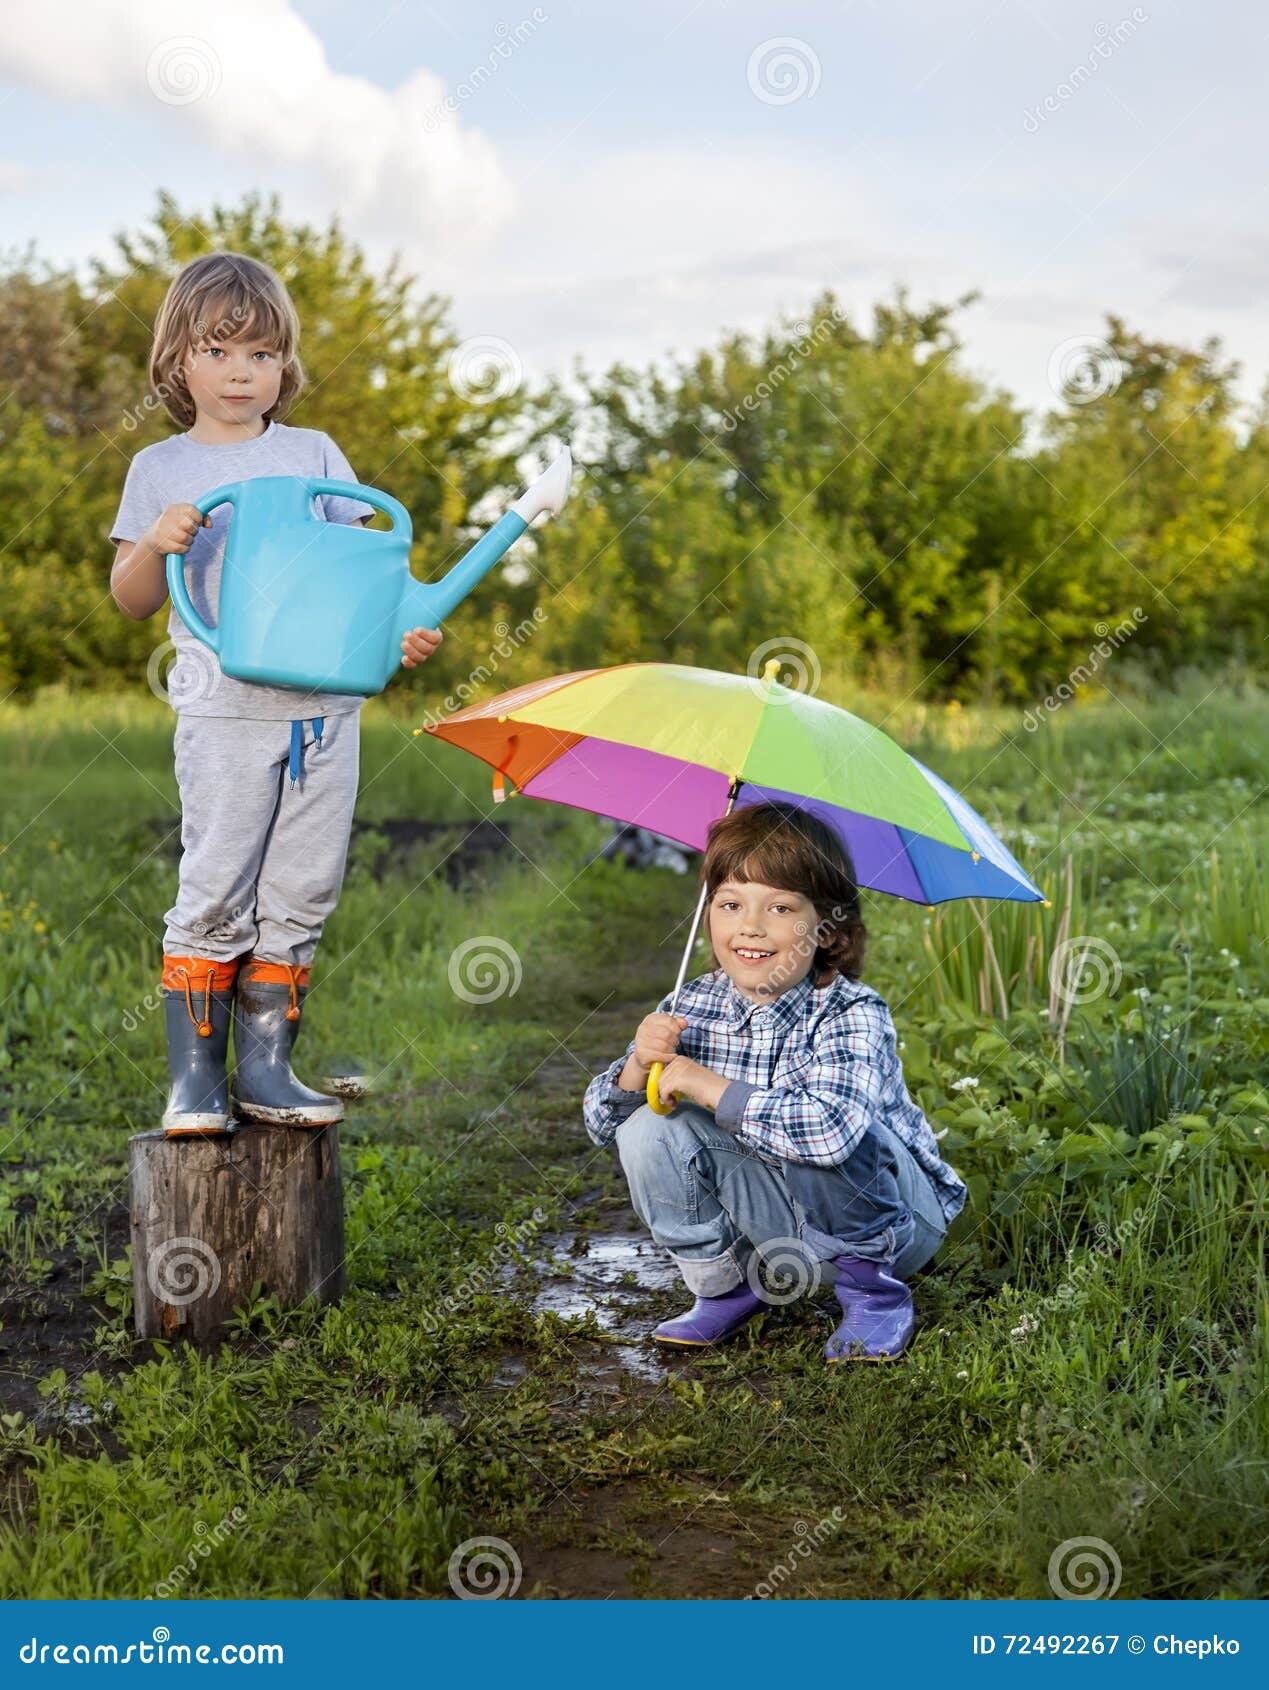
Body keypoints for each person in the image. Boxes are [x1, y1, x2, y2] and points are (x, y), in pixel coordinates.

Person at [109, 251, 443, 1137]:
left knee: (303, 885)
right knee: (216, 883)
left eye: (259, 355)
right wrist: (157, 542)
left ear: (283, 367)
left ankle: (266, 1068)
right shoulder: (160, 469)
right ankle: (194, 1081)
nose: (239, 373)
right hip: (224, 712)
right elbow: (130, 597)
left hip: (325, 713)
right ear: (178, 360)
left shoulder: (313, 455)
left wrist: (401, 628)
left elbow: (359, 578)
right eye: (218, 352)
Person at [582, 802, 966, 1362]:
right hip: (780, 1227)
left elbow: (829, 1135)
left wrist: (707, 1084)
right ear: (708, 912)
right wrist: (640, 1066)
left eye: (781, 907)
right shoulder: (691, 1004)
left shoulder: (849, 1011)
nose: (750, 927)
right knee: (647, 1127)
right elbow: (601, 1125)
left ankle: (872, 1295)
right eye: (730, 904)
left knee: (821, 1127)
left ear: (826, 925)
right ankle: (727, 1288)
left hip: (890, 1225)